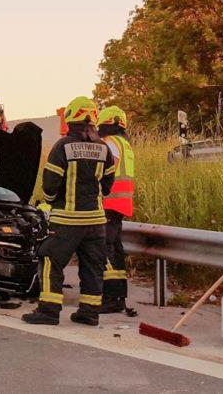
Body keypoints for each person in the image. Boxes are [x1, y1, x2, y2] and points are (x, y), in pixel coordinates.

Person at [23, 97, 114, 327]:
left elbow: (50, 184)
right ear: (93, 119)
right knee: (93, 267)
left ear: (70, 118)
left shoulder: (63, 147)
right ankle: (90, 313)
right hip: (96, 221)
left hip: (68, 220)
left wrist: (51, 202)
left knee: (50, 258)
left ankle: (49, 311)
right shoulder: (104, 148)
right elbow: (107, 185)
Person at [97, 106, 136, 316]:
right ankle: (119, 296)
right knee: (116, 250)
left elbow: (105, 172)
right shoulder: (125, 144)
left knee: (105, 249)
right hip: (121, 204)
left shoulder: (110, 143)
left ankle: (111, 298)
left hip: (108, 203)